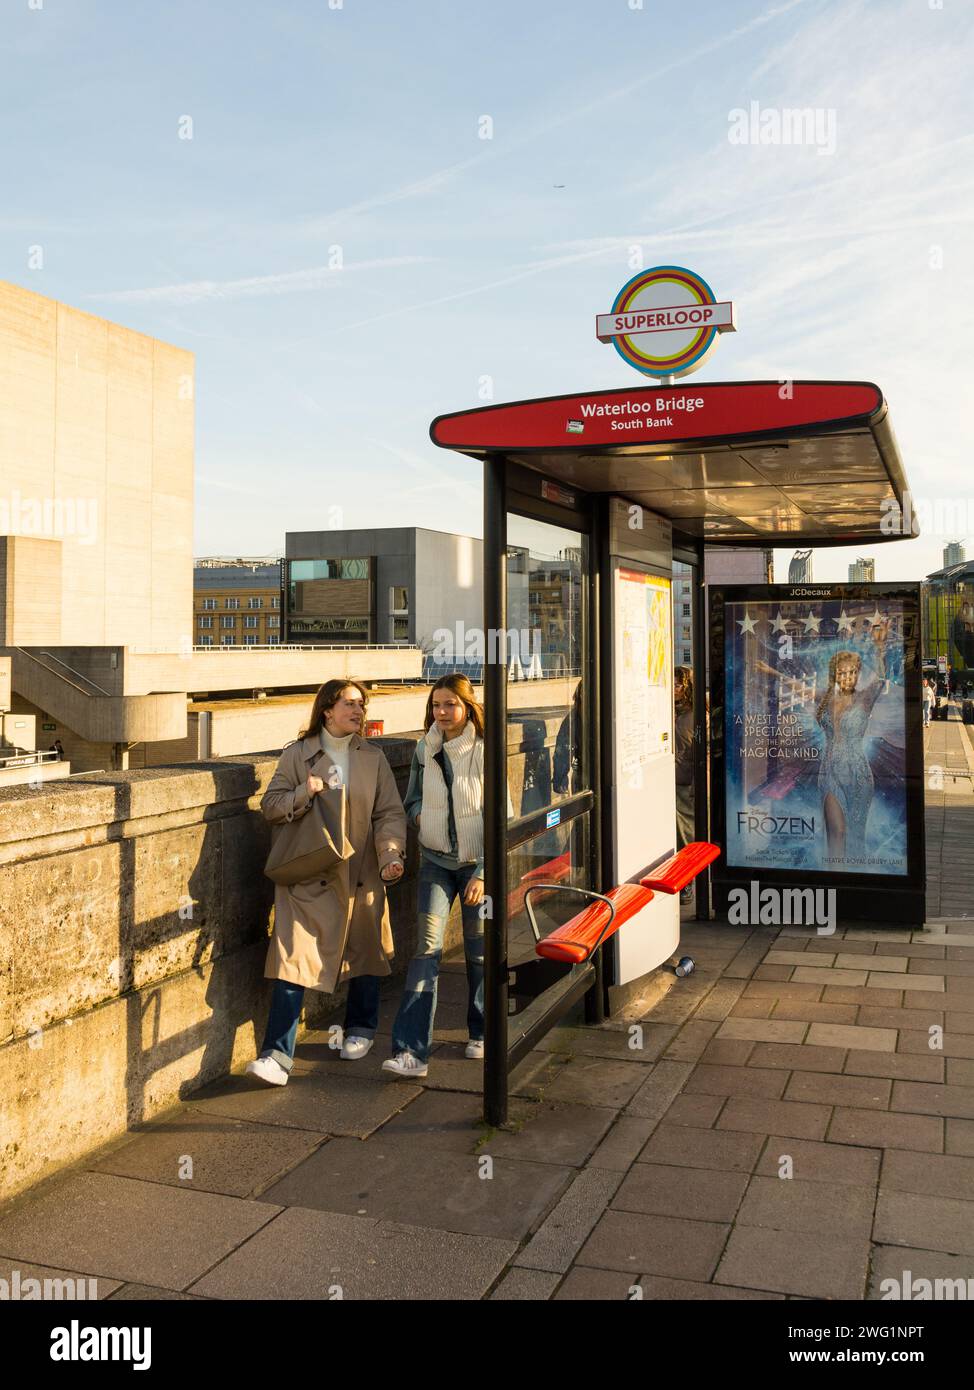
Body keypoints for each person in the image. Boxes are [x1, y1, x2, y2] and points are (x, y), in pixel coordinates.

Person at [246, 679, 406, 1086]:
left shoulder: (372, 757)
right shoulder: (297, 755)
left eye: (362, 704)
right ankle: (276, 1057)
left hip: (360, 873)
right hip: (309, 877)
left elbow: (389, 813)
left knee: (364, 953)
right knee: (292, 961)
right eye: (350, 703)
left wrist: (390, 855)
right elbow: (270, 807)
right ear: (327, 710)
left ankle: (361, 1028)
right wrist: (305, 791)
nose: (358, 710)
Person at [383, 673, 485, 1079]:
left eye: (450, 705)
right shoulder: (425, 749)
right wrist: (419, 816)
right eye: (436, 705)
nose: (441, 712)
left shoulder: (483, 748)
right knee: (425, 951)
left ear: (467, 706)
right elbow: (411, 800)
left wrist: (484, 873)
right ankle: (411, 1052)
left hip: (477, 867)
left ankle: (481, 1031)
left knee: (479, 953)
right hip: (436, 863)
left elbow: (504, 814)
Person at [815, 622, 889, 865]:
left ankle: (856, 885)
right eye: (842, 672)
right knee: (837, 832)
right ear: (834, 674)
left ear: (857, 673)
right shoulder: (824, 699)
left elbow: (880, 679)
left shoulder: (864, 698)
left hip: (858, 775)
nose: (848, 677)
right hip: (829, 773)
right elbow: (794, 687)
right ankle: (834, 883)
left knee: (856, 835)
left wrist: (879, 649)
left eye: (853, 672)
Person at [673, 667, 695, 903]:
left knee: (684, 835)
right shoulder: (666, 710)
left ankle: (686, 882)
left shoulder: (696, 715)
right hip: (662, 782)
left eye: (679, 685)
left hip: (685, 784)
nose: (674, 689)